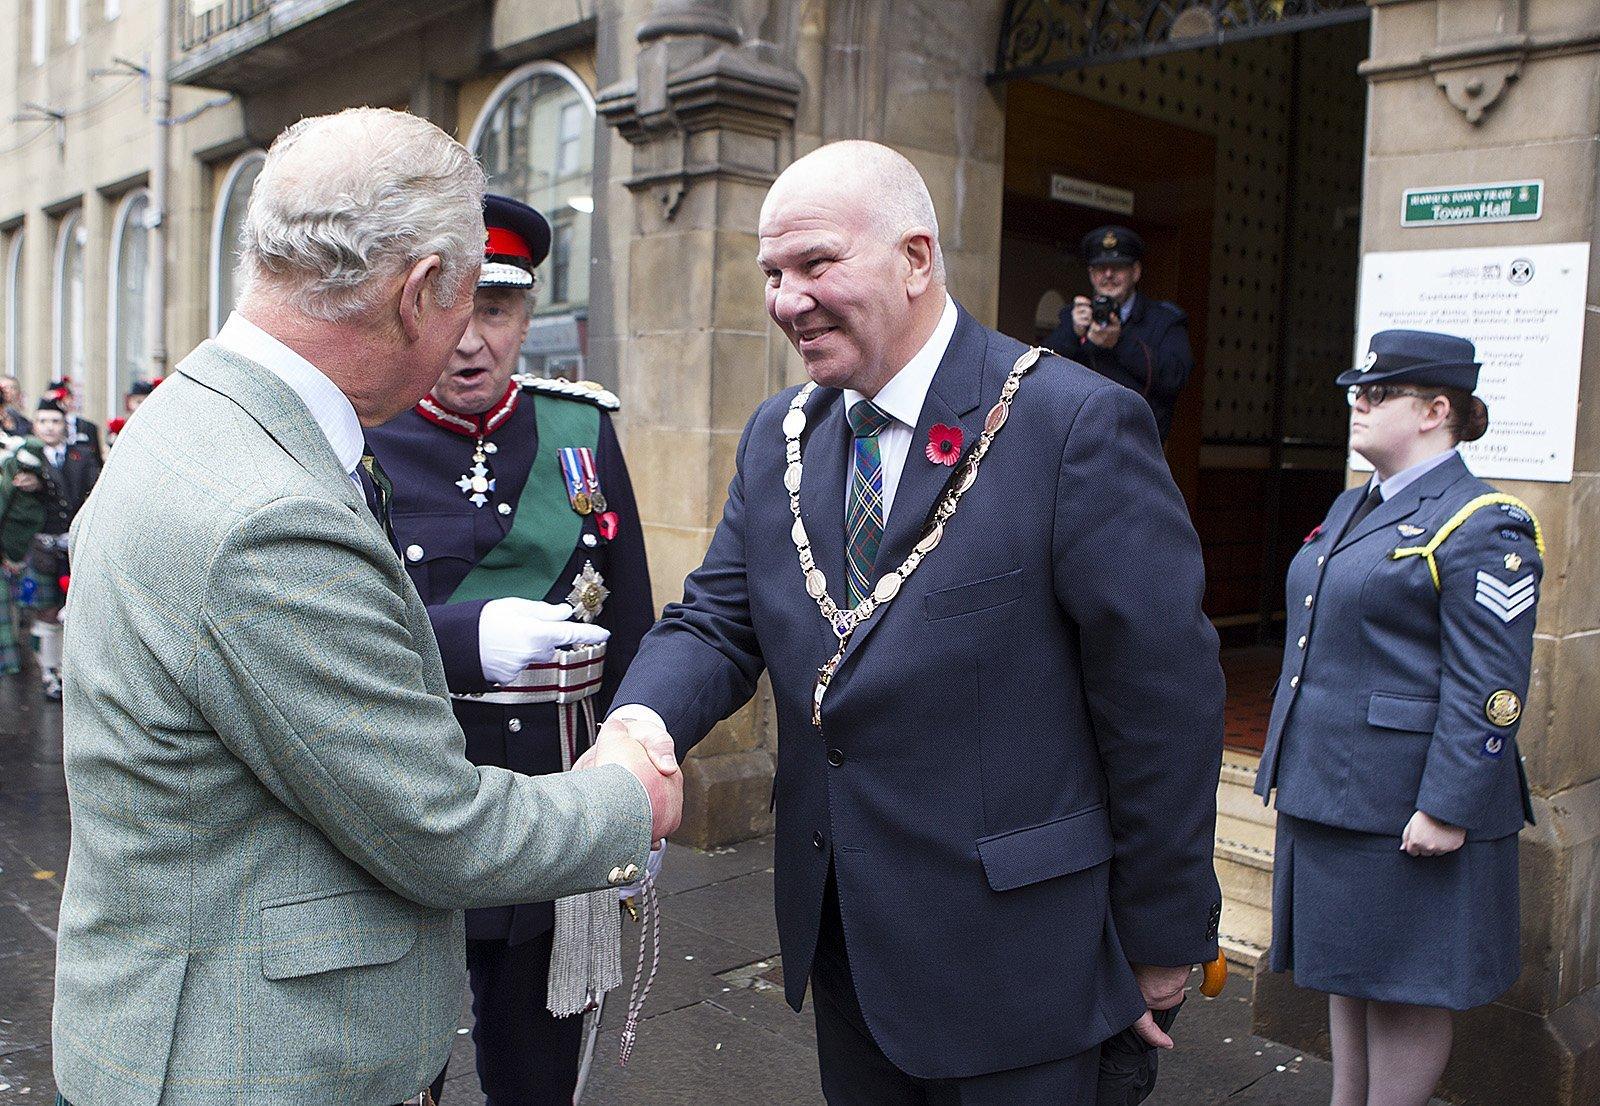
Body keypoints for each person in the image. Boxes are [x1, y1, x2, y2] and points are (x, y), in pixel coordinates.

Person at [51, 108, 681, 1106]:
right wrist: (627, 803)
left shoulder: (197, 414)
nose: (470, 340)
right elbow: (435, 827)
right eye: (464, 298)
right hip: (257, 1055)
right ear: (422, 287)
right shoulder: (268, 511)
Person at [595, 141, 1224, 1103]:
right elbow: (719, 618)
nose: (785, 300)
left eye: (815, 265)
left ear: (917, 259)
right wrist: (637, 730)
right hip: (844, 942)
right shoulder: (782, 433)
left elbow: (1162, 704)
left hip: (1024, 965)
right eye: (771, 273)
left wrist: (1163, 939)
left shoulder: (1070, 424)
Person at [365, 193, 656, 1105]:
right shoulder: (361, 435)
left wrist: (635, 780)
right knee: (399, 1067)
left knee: (537, 1072)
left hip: (551, 803)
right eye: (456, 309)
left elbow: (634, 623)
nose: (471, 342)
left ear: (526, 315)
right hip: (417, 793)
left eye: (496, 311)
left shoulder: (580, 429)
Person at [1254, 329, 1540, 1106]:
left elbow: (1492, 686)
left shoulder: (1484, 520)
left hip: (1406, 802)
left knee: (1406, 987)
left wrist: (1449, 805)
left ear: (1436, 411)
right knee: (1348, 970)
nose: (1359, 403)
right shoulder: (1356, 503)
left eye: (1377, 393)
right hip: (1333, 788)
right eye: (1358, 390)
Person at [1044, 225, 1194, 441]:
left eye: (1118, 267)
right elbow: (1043, 373)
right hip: (1080, 444)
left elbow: (1175, 377)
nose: (1108, 275)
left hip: (1137, 448)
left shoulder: (1164, 320)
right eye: (1100, 268)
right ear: (1091, 274)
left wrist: (1119, 343)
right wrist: (1072, 333)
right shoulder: (1074, 317)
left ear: (1136, 272)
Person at [26, 398, 98, 699]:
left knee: (76, 613)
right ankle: (49, 672)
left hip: (74, 545)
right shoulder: (25, 458)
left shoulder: (82, 456)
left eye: (54, 421)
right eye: (43, 421)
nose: (49, 427)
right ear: (35, 425)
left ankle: (73, 673)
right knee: (46, 612)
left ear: (64, 426)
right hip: (41, 547)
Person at [0, 432, 46, 675]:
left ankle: (42, 662)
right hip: (7, 551)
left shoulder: (42, 481)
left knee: (37, 609)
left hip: (32, 549)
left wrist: (40, 485)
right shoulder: (7, 477)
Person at [44, 378, 102, 463]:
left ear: (71, 399)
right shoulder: (40, 429)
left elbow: (96, 460)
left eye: (63, 398)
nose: (59, 404)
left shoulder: (88, 427)